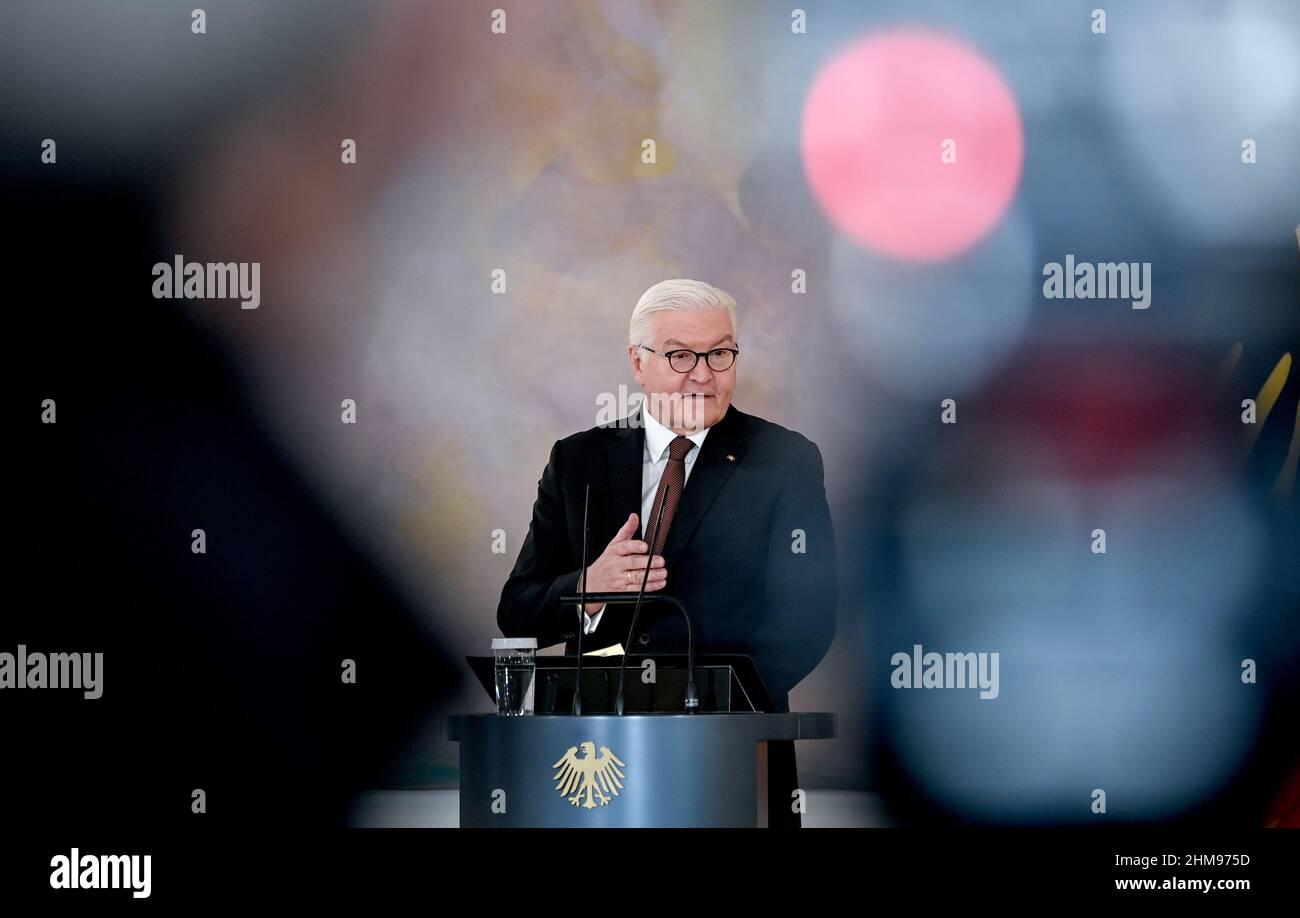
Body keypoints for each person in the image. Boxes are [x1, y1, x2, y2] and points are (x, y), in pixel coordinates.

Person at [498, 278, 838, 826]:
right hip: (594, 756)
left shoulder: (785, 460)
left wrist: (715, 705)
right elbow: (516, 612)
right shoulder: (577, 461)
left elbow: (809, 619)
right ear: (638, 362)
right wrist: (588, 587)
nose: (703, 374)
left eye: (720, 353)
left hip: (732, 755)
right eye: (681, 355)